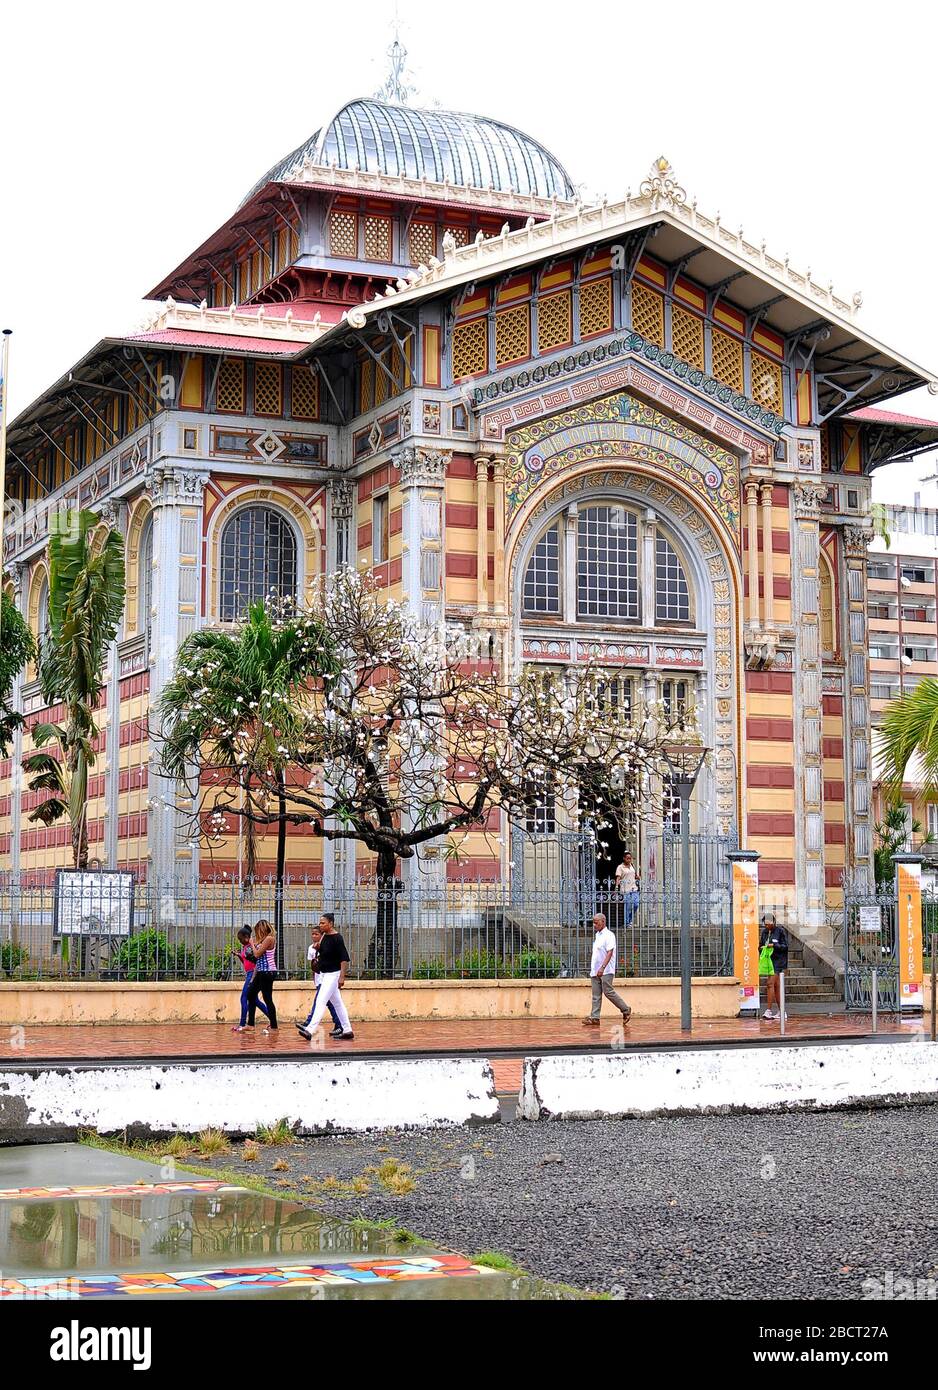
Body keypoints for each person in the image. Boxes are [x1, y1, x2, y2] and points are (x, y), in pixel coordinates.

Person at [297, 913, 354, 1041]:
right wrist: (318, 947)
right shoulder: (324, 937)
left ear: (331, 924)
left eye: (323, 923)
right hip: (324, 973)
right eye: (320, 923)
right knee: (338, 1003)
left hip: (333, 974)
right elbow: (323, 952)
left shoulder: (337, 938)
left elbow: (344, 958)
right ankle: (347, 1029)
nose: (321, 925)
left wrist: (342, 977)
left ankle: (310, 1029)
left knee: (321, 1000)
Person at [583, 911, 631, 1027]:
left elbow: (610, 952)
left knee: (608, 992)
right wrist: (595, 969)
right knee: (596, 995)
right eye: (593, 923)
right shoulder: (598, 935)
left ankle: (625, 1009)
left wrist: (602, 968)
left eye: (596, 923)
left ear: (603, 922)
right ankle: (595, 1017)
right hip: (595, 970)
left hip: (606, 970)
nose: (594, 925)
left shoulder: (609, 935)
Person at [298, 923, 341, 1037]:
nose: (314, 936)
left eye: (316, 934)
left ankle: (309, 1025)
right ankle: (341, 1026)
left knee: (320, 1002)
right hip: (319, 979)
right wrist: (314, 980)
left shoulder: (328, 945)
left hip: (327, 979)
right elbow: (313, 965)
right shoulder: (311, 948)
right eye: (312, 934)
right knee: (333, 1003)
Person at [232, 925, 269, 1033]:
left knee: (244, 998)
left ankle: (242, 1024)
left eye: (241, 939)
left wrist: (253, 977)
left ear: (247, 937)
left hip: (253, 974)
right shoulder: (245, 947)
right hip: (249, 973)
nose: (240, 941)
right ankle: (272, 1018)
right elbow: (245, 962)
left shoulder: (251, 946)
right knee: (254, 1000)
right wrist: (239, 955)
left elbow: (255, 961)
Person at [245, 919, 278, 1032]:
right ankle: (250, 1024)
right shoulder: (262, 940)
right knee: (250, 994)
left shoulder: (269, 939)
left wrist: (252, 944)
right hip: (261, 971)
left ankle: (274, 1026)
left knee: (267, 998)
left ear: (262, 929)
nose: (256, 933)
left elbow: (257, 954)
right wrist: (253, 978)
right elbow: (258, 963)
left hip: (268, 971)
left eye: (257, 930)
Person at [759, 913, 789, 1021]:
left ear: (773, 923)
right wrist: (762, 948)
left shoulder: (780, 931)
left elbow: (785, 946)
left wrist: (774, 945)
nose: (767, 926)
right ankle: (782, 1011)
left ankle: (768, 1010)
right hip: (768, 961)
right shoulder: (764, 933)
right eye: (765, 924)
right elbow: (760, 945)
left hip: (778, 962)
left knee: (769, 984)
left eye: (768, 924)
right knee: (776, 987)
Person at [614, 851, 640, 927]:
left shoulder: (632, 866)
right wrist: (616, 887)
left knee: (636, 904)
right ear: (624, 858)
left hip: (634, 888)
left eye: (630, 858)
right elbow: (618, 878)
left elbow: (634, 875)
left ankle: (629, 920)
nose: (629, 860)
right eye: (627, 858)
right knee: (628, 906)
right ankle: (627, 923)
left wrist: (638, 877)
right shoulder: (620, 867)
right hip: (625, 889)